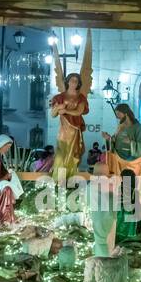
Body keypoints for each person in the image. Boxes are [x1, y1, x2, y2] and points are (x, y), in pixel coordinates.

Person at [49, 32, 91, 180]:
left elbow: (79, 112)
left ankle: (70, 179)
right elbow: (53, 114)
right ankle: (58, 181)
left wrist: (64, 109)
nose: (73, 82)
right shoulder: (59, 97)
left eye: (76, 80)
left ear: (79, 83)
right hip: (63, 130)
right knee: (60, 154)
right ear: (67, 81)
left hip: (74, 130)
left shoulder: (81, 97)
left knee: (73, 156)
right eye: (71, 80)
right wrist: (56, 108)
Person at [107, 103, 141, 241]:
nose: (117, 116)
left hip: (133, 163)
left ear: (126, 113)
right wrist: (109, 140)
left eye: (119, 114)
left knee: (131, 189)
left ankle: (134, 222)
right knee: (120, 189)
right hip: (119, 161)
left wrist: (130, 143)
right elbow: (115, 143)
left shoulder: (137, 128)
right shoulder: (120, 127)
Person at [86, 161, 118, 257]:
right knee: (108, 241)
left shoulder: (89, 186)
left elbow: (87, 202)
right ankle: (107, 263)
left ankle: (100, 260)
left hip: (96, 217)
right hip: (109, 217)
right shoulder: (110, 185)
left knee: (99, 241)